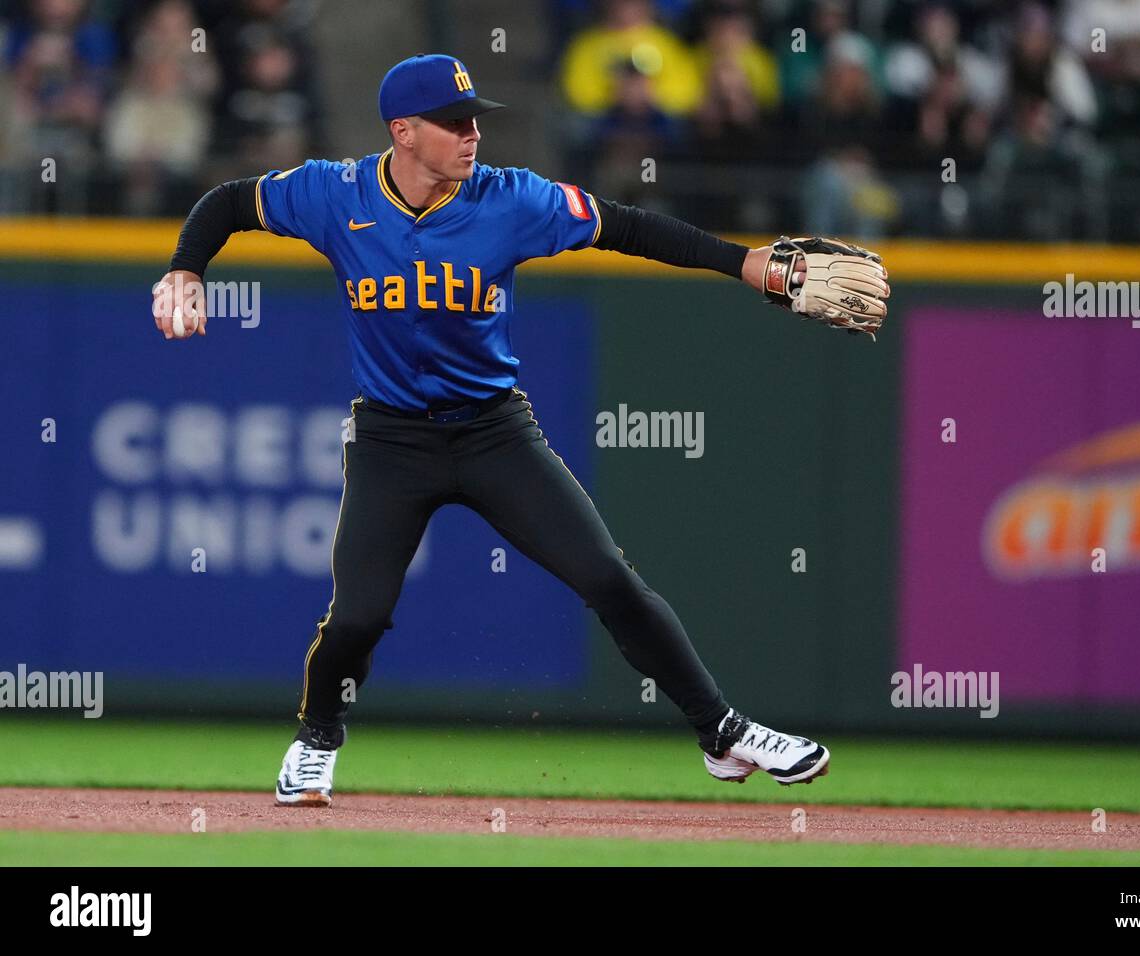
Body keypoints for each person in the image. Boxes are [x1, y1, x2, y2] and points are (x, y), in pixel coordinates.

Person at [152, 55, 882, 806]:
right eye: (454, 122)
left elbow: (625, 226)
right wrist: (186, 269)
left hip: (494, 430)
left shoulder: (513, 200)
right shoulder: (334, 194)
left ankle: (723, 735)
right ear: (403, 133)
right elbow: (230, 202)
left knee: (606, 577)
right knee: (360, 614)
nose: (473, 135)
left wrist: (743, 263)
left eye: (476, 120)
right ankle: (316, 739)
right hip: (391, 441)